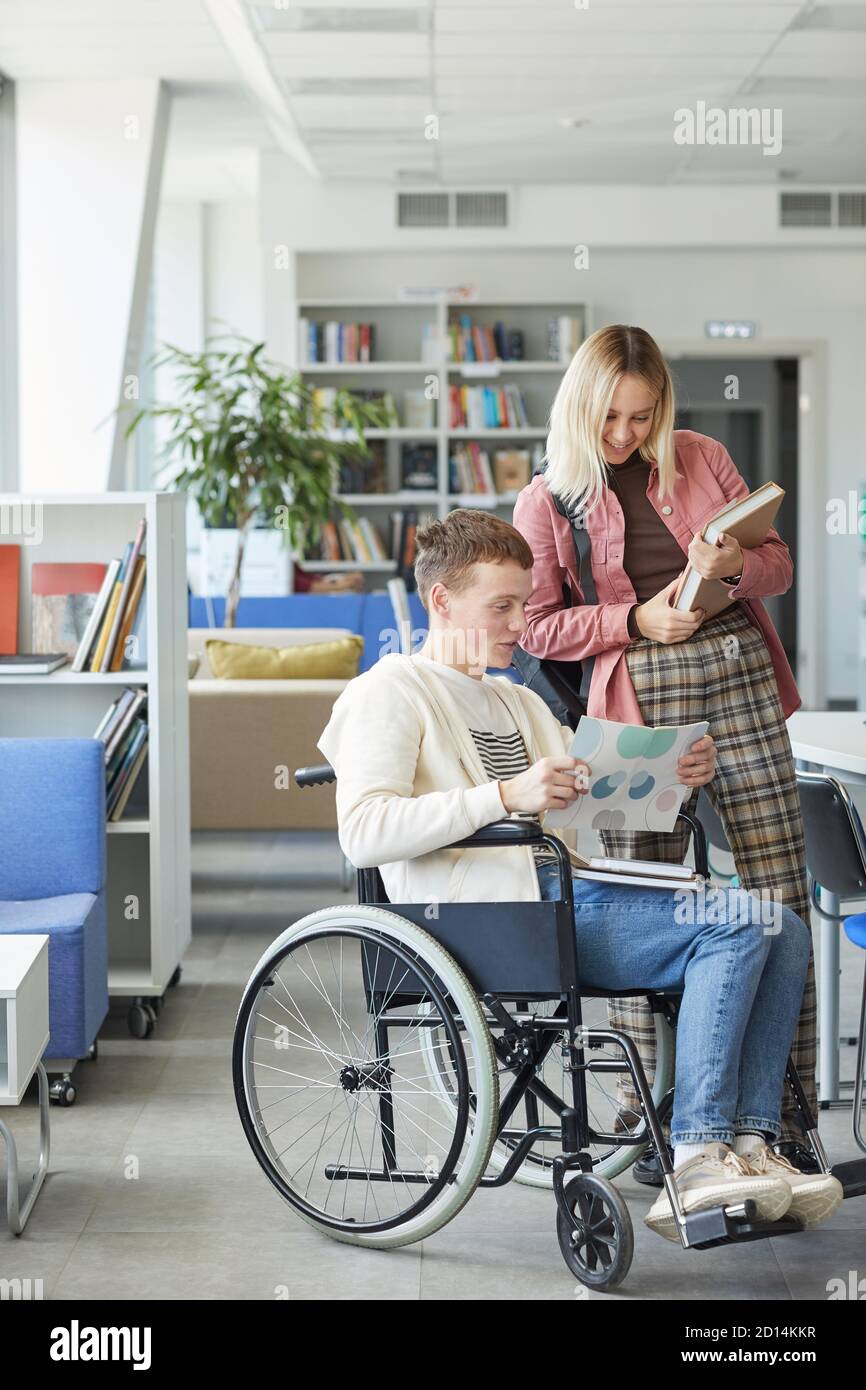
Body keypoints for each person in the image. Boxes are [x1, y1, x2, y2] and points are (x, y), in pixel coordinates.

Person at [317, 509, 841, 1239]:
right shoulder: (391, 691)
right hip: (487, 916)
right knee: (734, 929)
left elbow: (590, 799)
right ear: (442, 601)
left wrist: (673, 775)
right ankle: (696, 1156)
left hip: (565, 892)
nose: (518, 623)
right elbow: (365, 831)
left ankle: (751, 1147)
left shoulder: (517, 699)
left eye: (522, 604)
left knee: (778, 924)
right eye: (500, 606)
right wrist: (505, 796)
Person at [512, 324, 817, 1182]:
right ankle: (653, 1114)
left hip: (738, 673)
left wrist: (733, 563)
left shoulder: (701, 454)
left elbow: (780, 566)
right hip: (637, 693)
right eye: (612, 418)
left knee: (776, 888)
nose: (626, 436)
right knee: (651, 895)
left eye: (642, 418)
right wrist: (633, 619)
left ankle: (776, 1121)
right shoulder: (547, 499)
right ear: (582, 406)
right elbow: (535, 627)